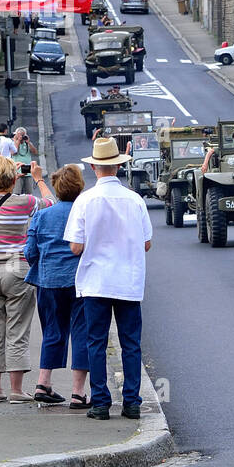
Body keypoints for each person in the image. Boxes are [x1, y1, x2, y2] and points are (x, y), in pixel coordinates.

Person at [65, 137, 153, 420]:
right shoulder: (135, 200)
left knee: (96, 342)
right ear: (117, 167)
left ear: (94, 168)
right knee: (131, 343)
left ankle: (101, 402)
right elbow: (146, 243)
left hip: (96, 280)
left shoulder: (85, 200)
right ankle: (132, 402)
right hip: (128, 281)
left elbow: (76, 246)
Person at [0, 156, 54, 403]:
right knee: (17, 330)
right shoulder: (25, 202)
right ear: (14, 178)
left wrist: (4, 178)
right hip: (16, 267)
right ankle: (17, 390)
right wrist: (38, 179)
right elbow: (51, 204)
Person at [25, 165, 90, 408]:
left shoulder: (42, 215)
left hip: (49, 281)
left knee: (52, 331)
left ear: (57, 188)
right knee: (82, 332)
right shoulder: (83, 213)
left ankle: (43, 383)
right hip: (80, 281)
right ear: (79, 187)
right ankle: (78, 392)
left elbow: (30, 252)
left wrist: (43, 265)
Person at [12, 127, 37, 193]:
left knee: (28, 193)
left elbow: (35, 152)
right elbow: (14, 152)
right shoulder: (13, 143)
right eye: (19, 135)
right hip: (18, 172)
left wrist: (29, 143)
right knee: (17, 193)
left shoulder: (27, 143)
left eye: (22, 135)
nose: (21, 137)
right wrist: (17, 141)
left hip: (27, 170)